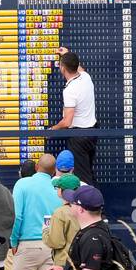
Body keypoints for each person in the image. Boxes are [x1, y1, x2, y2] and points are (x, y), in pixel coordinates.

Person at [49, 48, 97, 185]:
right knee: (89, 172)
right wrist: (66, 54)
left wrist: (53, 129)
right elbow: (78, 68)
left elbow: (67, 122)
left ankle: (90, 205)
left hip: (79, 137)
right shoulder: (86, 77)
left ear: (62, 68)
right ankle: (96, 204)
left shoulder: (70, 91)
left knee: (83, 178)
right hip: (92, 132)